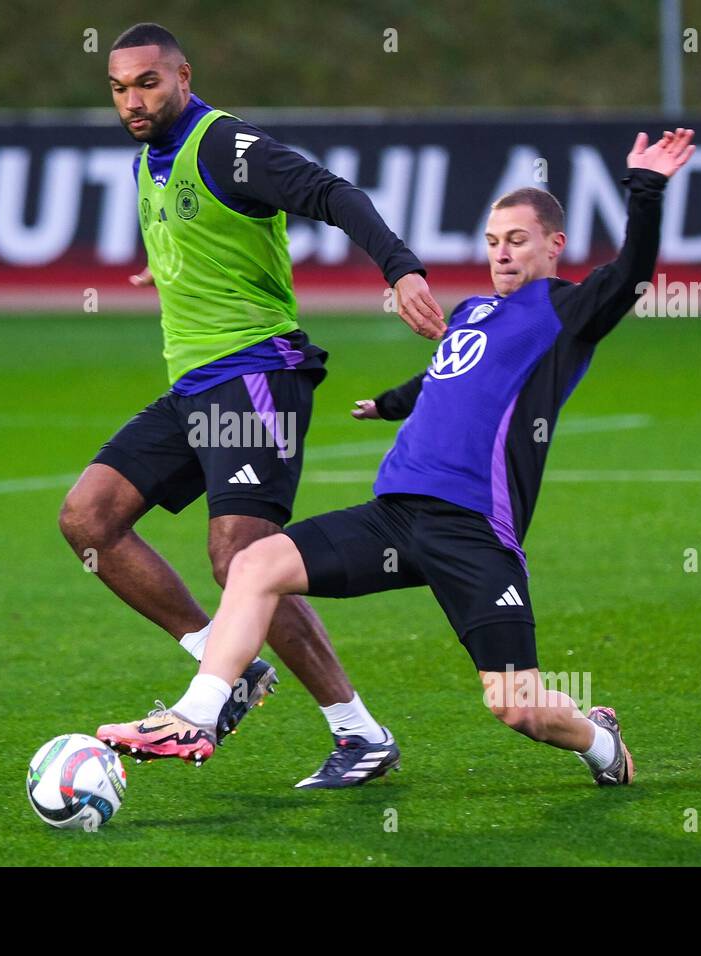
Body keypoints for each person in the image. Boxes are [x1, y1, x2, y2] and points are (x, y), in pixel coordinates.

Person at [97, 128, 697, 788]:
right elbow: (448, 377)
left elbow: (634, 272)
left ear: (555, 245)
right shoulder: (471, 313)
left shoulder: (566, 311)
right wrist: (390, 403)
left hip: (474, 534)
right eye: (494, 241)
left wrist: (647, 189)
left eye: (517, 240)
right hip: (395, 519)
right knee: (253, 563)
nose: (501, 253)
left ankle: (599, 741)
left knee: (515, 707)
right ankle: (197, 714)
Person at [60, 22, 446, 787]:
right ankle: (221, 662)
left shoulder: (224, 146)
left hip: (256, 375)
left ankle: (357, 734)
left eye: (147, 83)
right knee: (89, 520)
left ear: (182, 76)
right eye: (118, 88)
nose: (132, 100)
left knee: (244, 558)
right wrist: (166, 267)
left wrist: (401, 270)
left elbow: (333, 193)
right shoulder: (149, 160)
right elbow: (206, 238)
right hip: (195, 386)